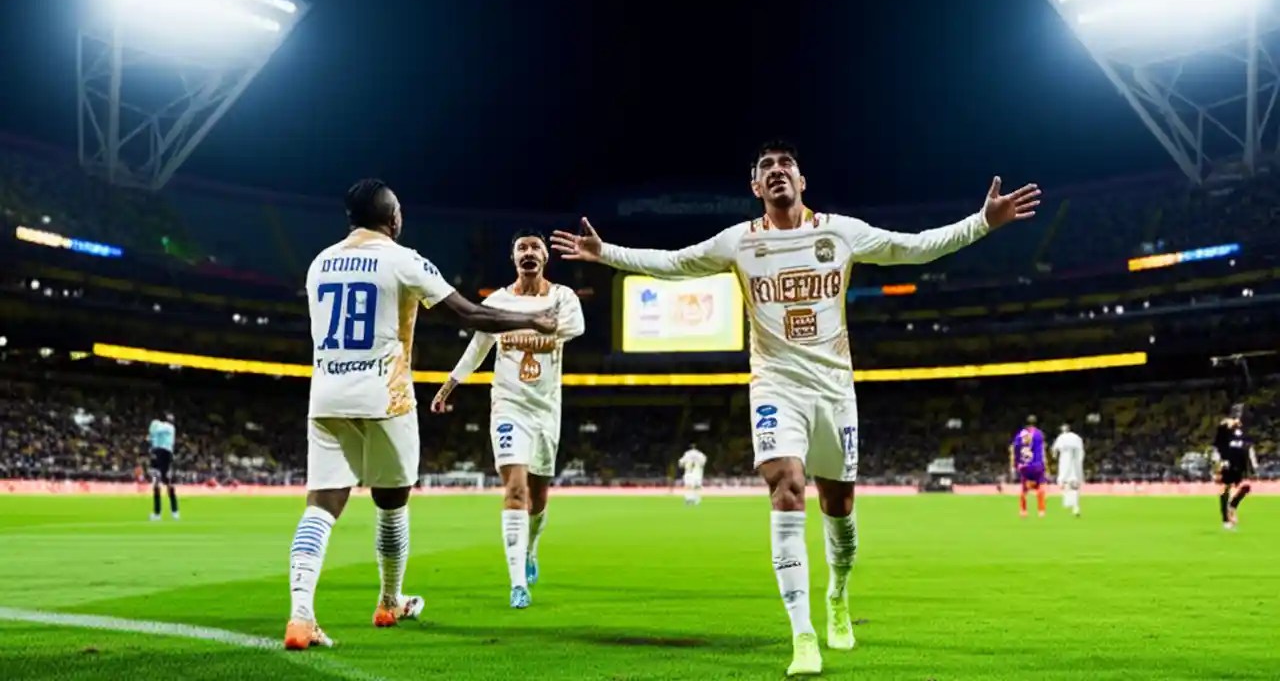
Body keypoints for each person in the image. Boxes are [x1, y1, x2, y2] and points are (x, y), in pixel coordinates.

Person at [551, 140, 1039, 676]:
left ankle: (838, 594)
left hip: (833, 389)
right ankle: (802, 634)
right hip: (775, 385)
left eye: (786, 165)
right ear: (756, 188)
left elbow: (917, 247)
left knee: (840, 505)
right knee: (786, 485)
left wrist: (982, 222)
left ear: (802, 181)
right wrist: (606, 253)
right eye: (767, 168)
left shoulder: (840, 232)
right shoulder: (738, 241)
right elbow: (673, 263)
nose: (777, 172)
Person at [285, 179, 557, 651]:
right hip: (384, 397)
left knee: (321, 506)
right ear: (393, 218)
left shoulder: (319, 263)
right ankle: (389, 600)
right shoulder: (402, 258)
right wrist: (530, 319)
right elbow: (471, 315)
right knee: (391, 504)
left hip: (326, 395)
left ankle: (301, 615)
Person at [430, 229, 585, 609]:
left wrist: (548, 326)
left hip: (546, 408)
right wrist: (449, 384)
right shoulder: (498, 301)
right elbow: (478, 346)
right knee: (515, 489)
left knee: (539, 498)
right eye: (521, 248)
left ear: (545, 257)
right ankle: (518, 583)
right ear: (513, 258)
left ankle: (530, 549)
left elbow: (576, 327)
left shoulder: (562, 296)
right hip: (508, 405)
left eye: (535, 247)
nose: (528, 253)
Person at [1212, 415, 1257, 530]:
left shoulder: (1243, 435)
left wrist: (1253, 465)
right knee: (1224, 489)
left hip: (1240, 465)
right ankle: (1225, 519)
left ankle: (1232, 506)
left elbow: (1249, 448)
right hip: (1227, 464)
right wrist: (1218, 464)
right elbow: (1218, 445)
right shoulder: (1225, 433)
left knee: (1246, 487)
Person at [1011, 416, 1049, 519]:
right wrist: (1046, 465)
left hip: (1024, 466)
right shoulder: (1039, 434)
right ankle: (1041, 511)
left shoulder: (1019, 435)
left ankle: (1023, 511)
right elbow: (1042, 451)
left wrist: (1015, 465)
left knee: (1024, 489)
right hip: (1037, 465)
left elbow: (1015, 450)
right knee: (1041, 487)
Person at [148, 414, 179, 521]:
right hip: (160, 452)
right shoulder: (166, 427)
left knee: (166, 483)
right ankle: (168, 512)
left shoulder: (168, 428)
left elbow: (153, 431)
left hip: (162, 453)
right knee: (158, 482)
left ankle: (169, 512)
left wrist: (155, 424)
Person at [1051, 423, 1084, 517]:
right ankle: (1075, 506)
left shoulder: (1062, 437)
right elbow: (1081, 451)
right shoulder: (1077, 437)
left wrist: (1054, 456)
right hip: (1076, 464)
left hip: (1065, 464)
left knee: (1064, 483)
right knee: (1074, 485)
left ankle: (1069, 503)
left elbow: (1054, 450)